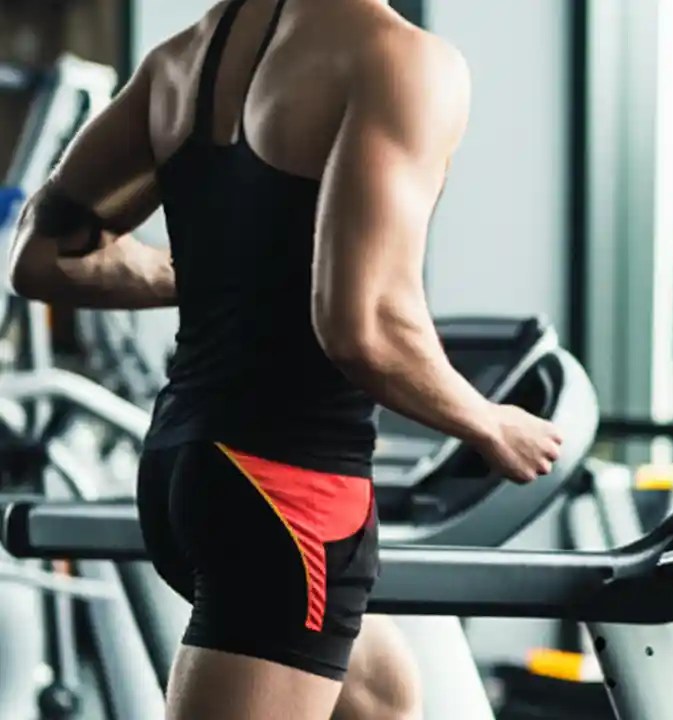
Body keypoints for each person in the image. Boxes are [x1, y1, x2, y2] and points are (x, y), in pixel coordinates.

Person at [7, 0, 565, 717]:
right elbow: (364, 326)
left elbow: (45, 255)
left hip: (188, 467)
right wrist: (488, 423)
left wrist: (220, 268)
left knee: (383, 694)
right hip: (286, 487)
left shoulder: (184, 60)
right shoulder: (399, 59)